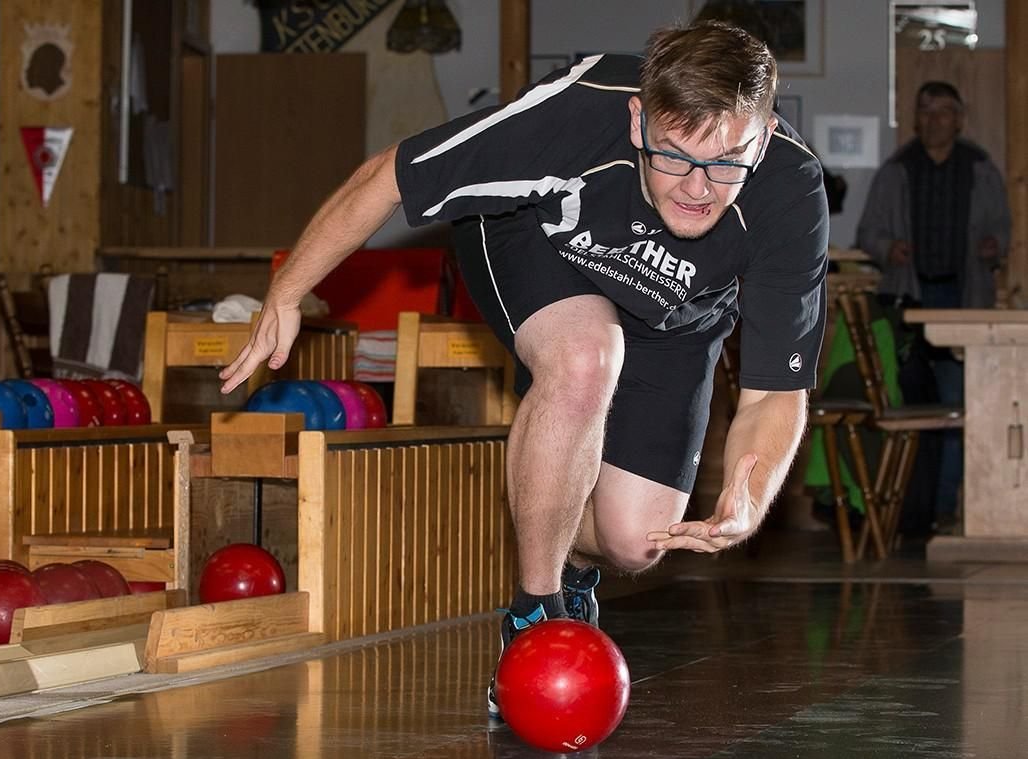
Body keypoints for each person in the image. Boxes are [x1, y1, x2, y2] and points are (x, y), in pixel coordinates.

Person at [219, 22, 827, 717]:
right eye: (674, 157)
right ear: (638, 120)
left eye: (726, 163)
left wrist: (750, 502)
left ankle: (573, 564)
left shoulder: (789, 192)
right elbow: (388, 175)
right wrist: (288, 291)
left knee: (634, 542)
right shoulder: (575, 116)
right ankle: (535, 611)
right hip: (536, 241)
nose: (697, 188)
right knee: (584, 357)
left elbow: (775, 393)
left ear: (765, 134)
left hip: (673, 312)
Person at [856, 81, 1011, 530]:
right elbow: (868, 233)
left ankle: (945, 507)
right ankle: (912, 511)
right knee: (912, 405)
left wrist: (991, 246)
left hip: (965, 302)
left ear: (959, 119)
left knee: (959, 405)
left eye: (943, 112)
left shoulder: (980, 168)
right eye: (925, 111)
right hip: (910, 302)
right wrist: (889, 249)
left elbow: (1003, 231)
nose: (933, 120)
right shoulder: (896, 169)